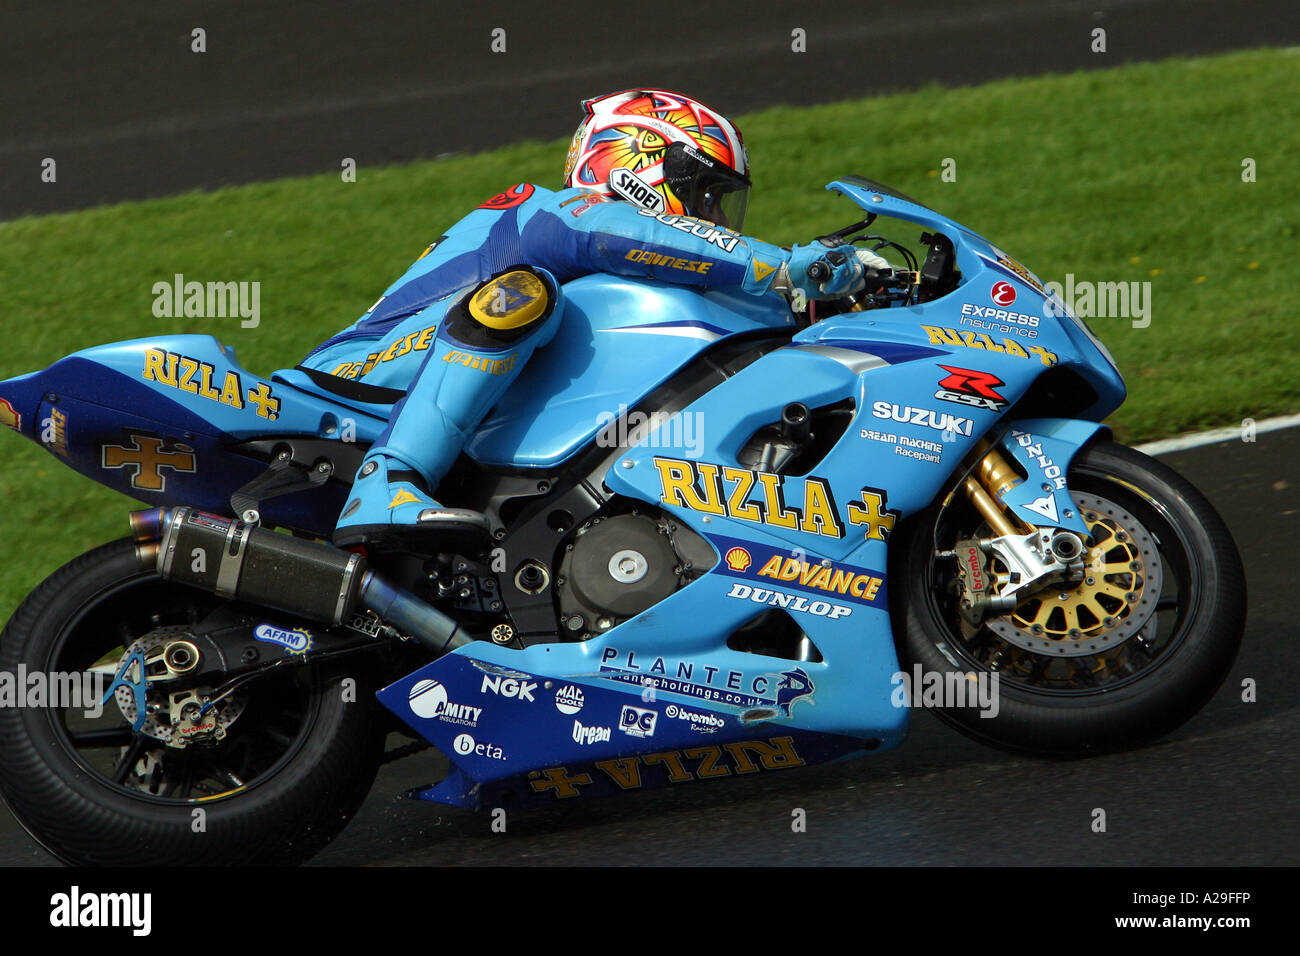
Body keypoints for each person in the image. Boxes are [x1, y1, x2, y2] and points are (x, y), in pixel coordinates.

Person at [303, 88, 884, 553]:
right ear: (642, 168)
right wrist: (783, 267)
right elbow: (619, 235)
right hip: (356, 381)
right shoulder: (547, 211)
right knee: (526, 294)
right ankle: (387, 479)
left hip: (439, 399)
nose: (715, 219)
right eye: (705, 194)